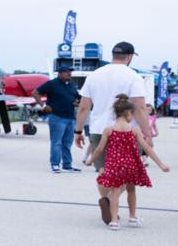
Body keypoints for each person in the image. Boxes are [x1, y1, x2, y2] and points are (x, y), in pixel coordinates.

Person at [83, 95, 169, 229]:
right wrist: (161, 164)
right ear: (128, 113)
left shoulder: (108, 130)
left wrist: (90, 160)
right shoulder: (134, 130)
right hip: (130, 165)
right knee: (131, 190)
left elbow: (99, 149)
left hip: (114, 165)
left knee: (115, 193)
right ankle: (132, 217)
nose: (133, 117)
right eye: (132, 115)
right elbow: (147, 148)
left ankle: (114, 222)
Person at [74, 41, 151, 174]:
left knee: (103, 172)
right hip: (126, 132)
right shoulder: (133, 76)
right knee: (125, 174)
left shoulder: (94, 75)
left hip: (98, 129)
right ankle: (114, 195)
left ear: (113, 55)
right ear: (129, 56)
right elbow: (140, 108)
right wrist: (147, 134)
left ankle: (106, 195)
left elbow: (84, 107)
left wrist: (78, 132)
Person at [33, 66, 82, 172]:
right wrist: (43, 106)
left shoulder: (72, 85)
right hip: (57, 117)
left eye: (70, 72)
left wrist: (77, 102)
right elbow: (35, 92)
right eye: (66, 72)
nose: (69, 74)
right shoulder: (52, 84)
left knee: (68, 143)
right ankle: (55, 164)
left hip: (70, 118)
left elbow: (77, 98)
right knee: (57, 142)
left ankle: (67, 165)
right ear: (59, 73)